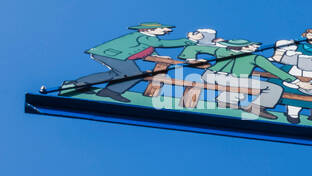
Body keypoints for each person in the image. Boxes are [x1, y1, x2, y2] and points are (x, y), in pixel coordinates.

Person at [63, 22, 192, 103]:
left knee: (115, 74)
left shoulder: (147, 38)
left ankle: (79, 84)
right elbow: (162, 43)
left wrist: (157, 56)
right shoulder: (144, 37)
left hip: (114, 55)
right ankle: (111, 91)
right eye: (160, 29)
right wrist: (189, 41)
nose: (165, 31)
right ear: (148, 30)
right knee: (134, 73)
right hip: (111, 55)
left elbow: (146, 49)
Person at [202, 39, 297, 120]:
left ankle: (226, 102)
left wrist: (191, 58)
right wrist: (294, 80)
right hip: (231, 79)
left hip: (209, 75)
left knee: (242, 83)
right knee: (274, 88)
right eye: (252, 45)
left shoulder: (221, 51)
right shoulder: (255, 58)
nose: (256, 47)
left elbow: (193, 47)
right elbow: (274, 70)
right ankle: (256, 108)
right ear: (244, 47)